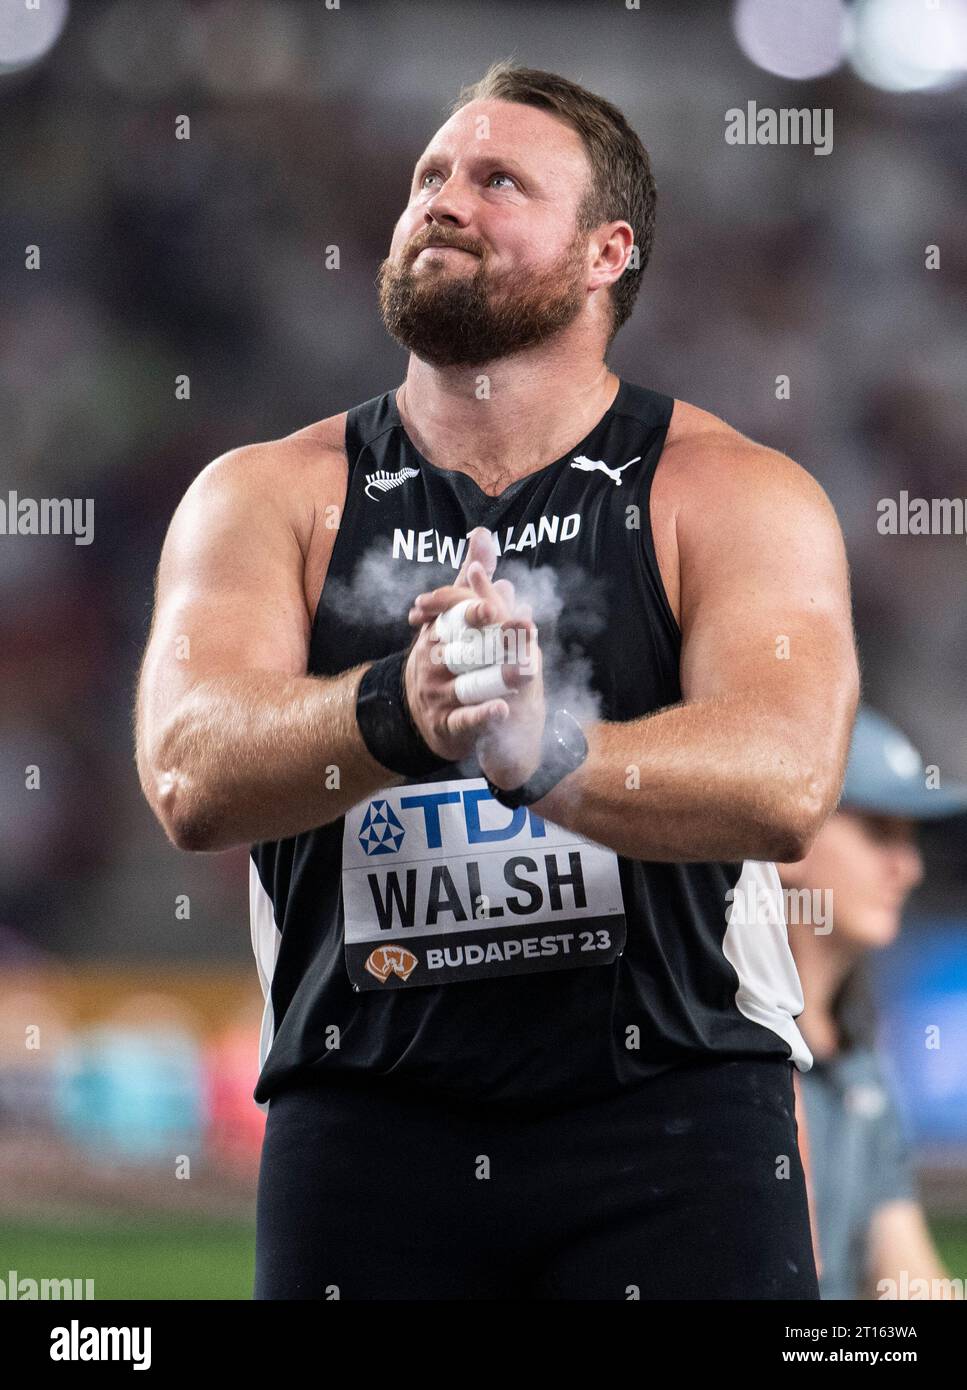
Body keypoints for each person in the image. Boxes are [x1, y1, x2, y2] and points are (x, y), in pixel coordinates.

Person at [134, 60, 860, 1300]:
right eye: (429, 176)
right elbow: (188, 772)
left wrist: (550, 754)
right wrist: (397, 711)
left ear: (604, 253)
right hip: (365, 1121)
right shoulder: (270, 495)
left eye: (497, 180)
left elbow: (785, 779)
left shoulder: (730, 492)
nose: (442, 200)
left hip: (673, 1116)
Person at [777, 706, 967, 1301]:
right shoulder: (712, 1058)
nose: (908, 869)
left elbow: (911, 1288)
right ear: (788, 836)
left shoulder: (861, 1069)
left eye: (910, 840)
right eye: (878, 831)